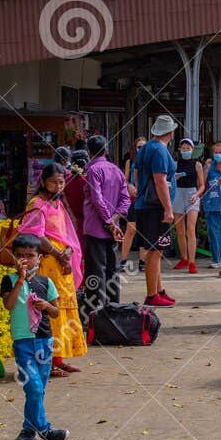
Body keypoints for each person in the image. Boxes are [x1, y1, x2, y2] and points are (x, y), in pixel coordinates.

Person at [19, 163, 89, 377]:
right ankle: (47, 361)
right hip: (48, 264)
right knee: (49, 310)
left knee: (63, 309)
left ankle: (58, 358)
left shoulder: (57, 204)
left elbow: (65, 234)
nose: (58, 186)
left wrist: (67, 251)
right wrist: (60, 254)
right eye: (54, 182)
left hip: (61, 265)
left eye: (61, 182)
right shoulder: (37, 204)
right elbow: (36, 236)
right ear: (43, 182)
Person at [2, 233, 69, 440]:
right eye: (20, 255)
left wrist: (47, 307)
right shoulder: (10, 280)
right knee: (34, 388)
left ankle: (28, 430)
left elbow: (57, 312)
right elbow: (9, 305)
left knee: (39, 388)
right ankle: (45, 429)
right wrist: (20, 279)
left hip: (44, 341)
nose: (25, 260)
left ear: (39, 258)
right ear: (14, 257)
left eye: (30, 256)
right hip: (23, 341)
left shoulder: (46, 282)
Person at [81, 134, 130, 320]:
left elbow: (97, 199)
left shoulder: (93, 170)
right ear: (106, 150)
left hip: (96, 228)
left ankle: (96, 314)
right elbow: (125, 200)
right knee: (112, 270)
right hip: (113, 228)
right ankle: (113, 308)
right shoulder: (116, 170)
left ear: (89, 152)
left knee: (96, 272)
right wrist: (114, 220)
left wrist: (109, 222)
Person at [132, 115, 178, 307]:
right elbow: (160, 180)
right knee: (155, 251)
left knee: (155, 250)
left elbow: (135, 172)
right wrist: (168, 208)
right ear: (171, 132)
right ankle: (152, 294)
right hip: (155, 207)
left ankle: (159, 290)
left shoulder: (147, 147)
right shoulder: (159, 150)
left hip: (145, 203)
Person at [171, 137, 205, 272]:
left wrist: (196, 195)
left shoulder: (197, 164)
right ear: (180, 150)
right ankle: (184, 258)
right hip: (178, 193)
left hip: (192, 194)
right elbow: (169, 180)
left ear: (192, 149)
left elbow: (202, 185)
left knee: (190, 229)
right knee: (179, 230)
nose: (186, 150)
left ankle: (192, 261)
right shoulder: (174, 164)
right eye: (183, 148)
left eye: (188, 148)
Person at [202, 140, 221, 278]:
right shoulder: (210, 166)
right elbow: (202, 183)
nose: (218, 155)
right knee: (213, 232)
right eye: (216, 153)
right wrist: (206, 168)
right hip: (211, 203)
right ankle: (216, 259)